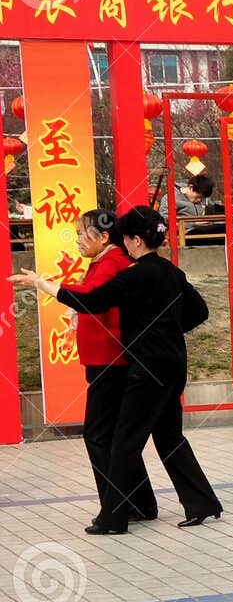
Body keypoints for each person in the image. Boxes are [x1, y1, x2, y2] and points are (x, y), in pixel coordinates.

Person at [13, 207, 222, 534]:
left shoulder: (133, 273)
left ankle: (114, 517)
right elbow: (199, 311)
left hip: (148, 367)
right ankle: (202, 502)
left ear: (136, 240)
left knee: (123, 440)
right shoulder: (168, 270)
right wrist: (164, 331)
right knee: (168, 436)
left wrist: (41, 283)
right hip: (173, 361)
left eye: (126, 238)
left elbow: (92, 301)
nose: (124, 245)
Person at [40, 210, 158, 523]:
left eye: (82, 233)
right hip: (104, 357)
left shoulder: (112, 262)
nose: (77, 239)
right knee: (115, 435)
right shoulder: (105, 261)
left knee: (98, 435)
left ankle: (118, 506)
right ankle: (140, 503)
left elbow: (91, 297)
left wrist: (47, 285)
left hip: (110, 358)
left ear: (103, 236)